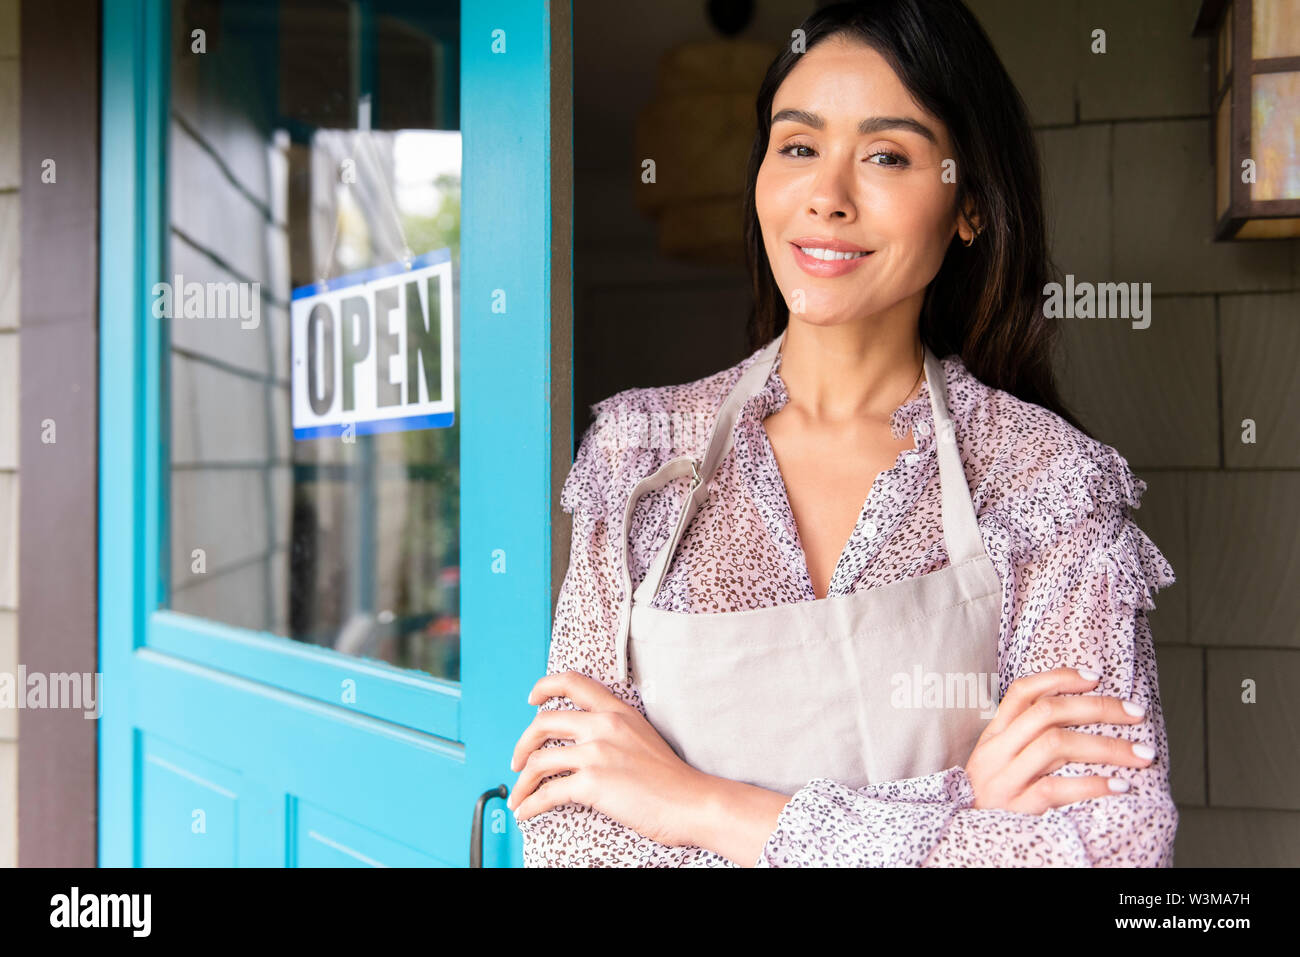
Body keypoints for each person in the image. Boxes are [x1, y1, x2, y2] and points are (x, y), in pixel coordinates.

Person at [507, 0, 1178, 867]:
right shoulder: (640, 453)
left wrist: (694, 802)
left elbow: (1112, 848)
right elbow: (569, 823)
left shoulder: (1046, 482)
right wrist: (966, 802)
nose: (826, 197)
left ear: (968, 204)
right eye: (797, 146)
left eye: (886, 155)